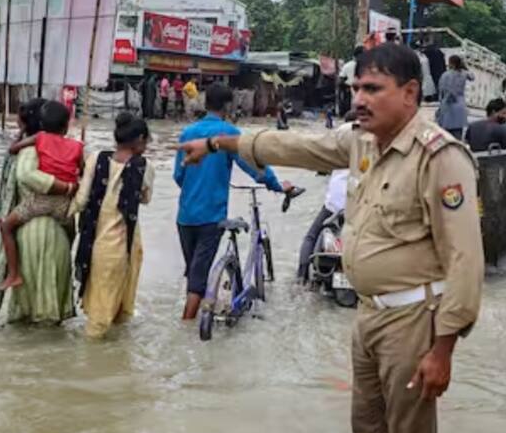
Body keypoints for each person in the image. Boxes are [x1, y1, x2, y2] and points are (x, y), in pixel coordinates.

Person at [178, 42, 483, 433]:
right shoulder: (360, 141)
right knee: (368, 430)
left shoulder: (440, 157)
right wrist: (219, 143)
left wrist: (442, 349)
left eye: (373, 88)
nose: (359, 98)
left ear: (409, 93)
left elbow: (466, 258)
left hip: (414, 318)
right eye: (356, 87)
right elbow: (294, 147)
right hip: (368, 315)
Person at [173, 82, 291, 321]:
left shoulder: (187, 134)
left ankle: (196, 310)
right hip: (211, 216)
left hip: (185, 216)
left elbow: (178, 176)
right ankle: (187, 328)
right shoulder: (228, 134)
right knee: (198, 278)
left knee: (194, 272)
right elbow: (254, 166)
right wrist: (277, 185)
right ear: (228, 106)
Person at [0, 99, 76, 326]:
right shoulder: (67, 150)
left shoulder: (25, 153)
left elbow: (9, 199)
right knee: (54, 323)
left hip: (27, 238)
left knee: (24, 324)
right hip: (60, 237)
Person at [73, 112, 154, 339]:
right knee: (116, 313)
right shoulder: (144, 167)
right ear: (139, 140)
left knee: (98, 313)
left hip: (97, 244)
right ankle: (105, 363)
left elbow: (80, 201)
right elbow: (145, 199)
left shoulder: (96, 159)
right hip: (126, 244)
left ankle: (91, 363)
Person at [0, 100, 83, 290]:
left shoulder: (39, 139)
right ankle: (66, 262)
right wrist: (72, 186)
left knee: (5, 227)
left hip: (41, 201)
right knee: (71, 232)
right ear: (66, 125)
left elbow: (13, 150)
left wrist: (21, 136)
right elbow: (82, 172)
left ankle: (13, 275)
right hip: (64, 205)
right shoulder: (77, 146)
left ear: (42, 125)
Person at [298, 117, 356, 282]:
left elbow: (321, 164)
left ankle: (301, 278)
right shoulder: (370, 139)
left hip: (333, 206)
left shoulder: (339, 139)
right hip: (359, 205)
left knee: (311, 236)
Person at [435, 54, 474, 140]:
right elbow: (472, 77)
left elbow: (442, 90)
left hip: (448, 105)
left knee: (445, 135)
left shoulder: (445, 75)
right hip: (460, 104)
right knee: (457, 134)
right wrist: (464, 67)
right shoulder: (464, 73)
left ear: (451, 63)